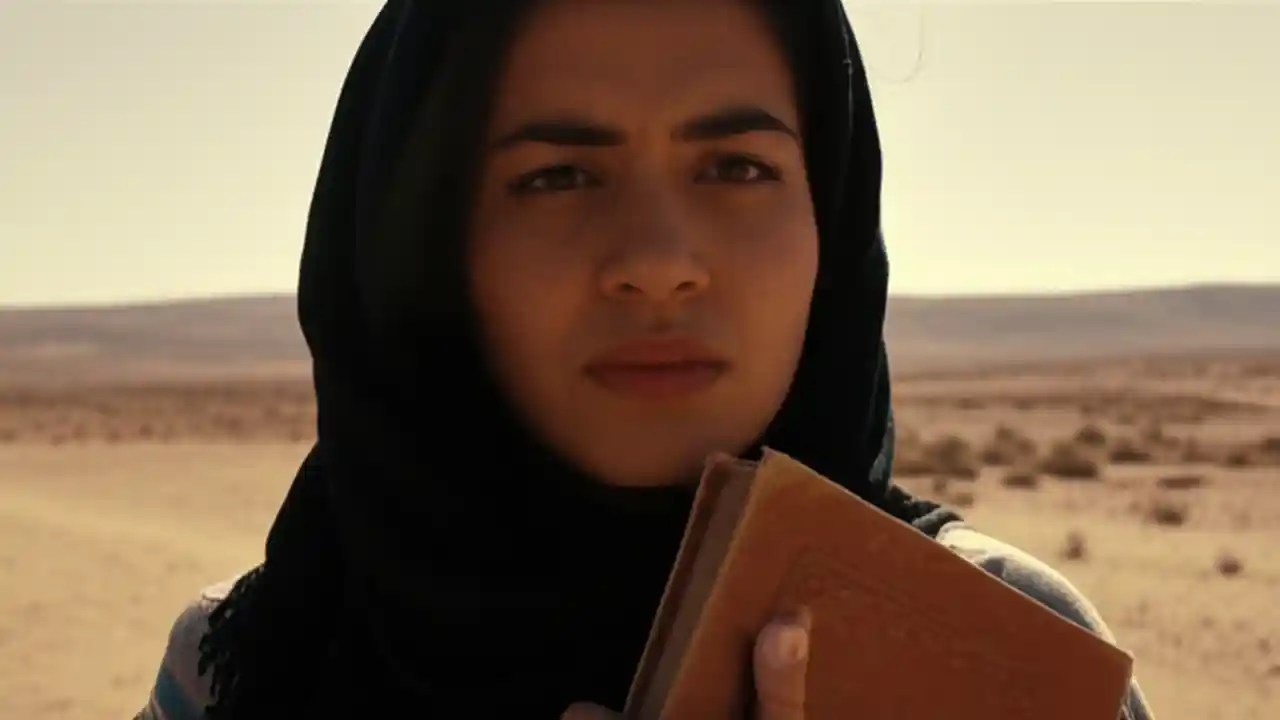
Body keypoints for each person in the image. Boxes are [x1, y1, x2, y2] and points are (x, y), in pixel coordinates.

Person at [136, 1, 1155, 718]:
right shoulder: (246, 669)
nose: (658, 263)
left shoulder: (1009, 652)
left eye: (737, 167)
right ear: (427, 247)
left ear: (829, 221)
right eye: (559, 176)